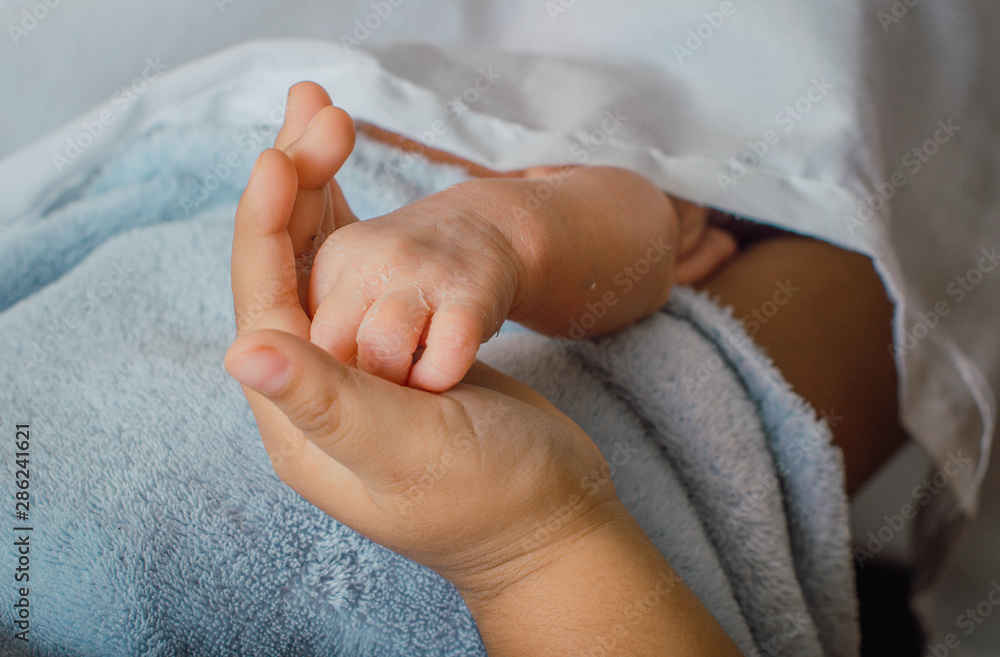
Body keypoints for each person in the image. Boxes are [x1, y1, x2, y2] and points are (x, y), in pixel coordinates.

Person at [224, 81, 906, 654]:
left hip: (378, 158)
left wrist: (500, 227)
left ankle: (524, 219)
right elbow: (648, 227)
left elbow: (647, 223)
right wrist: (527, 546)